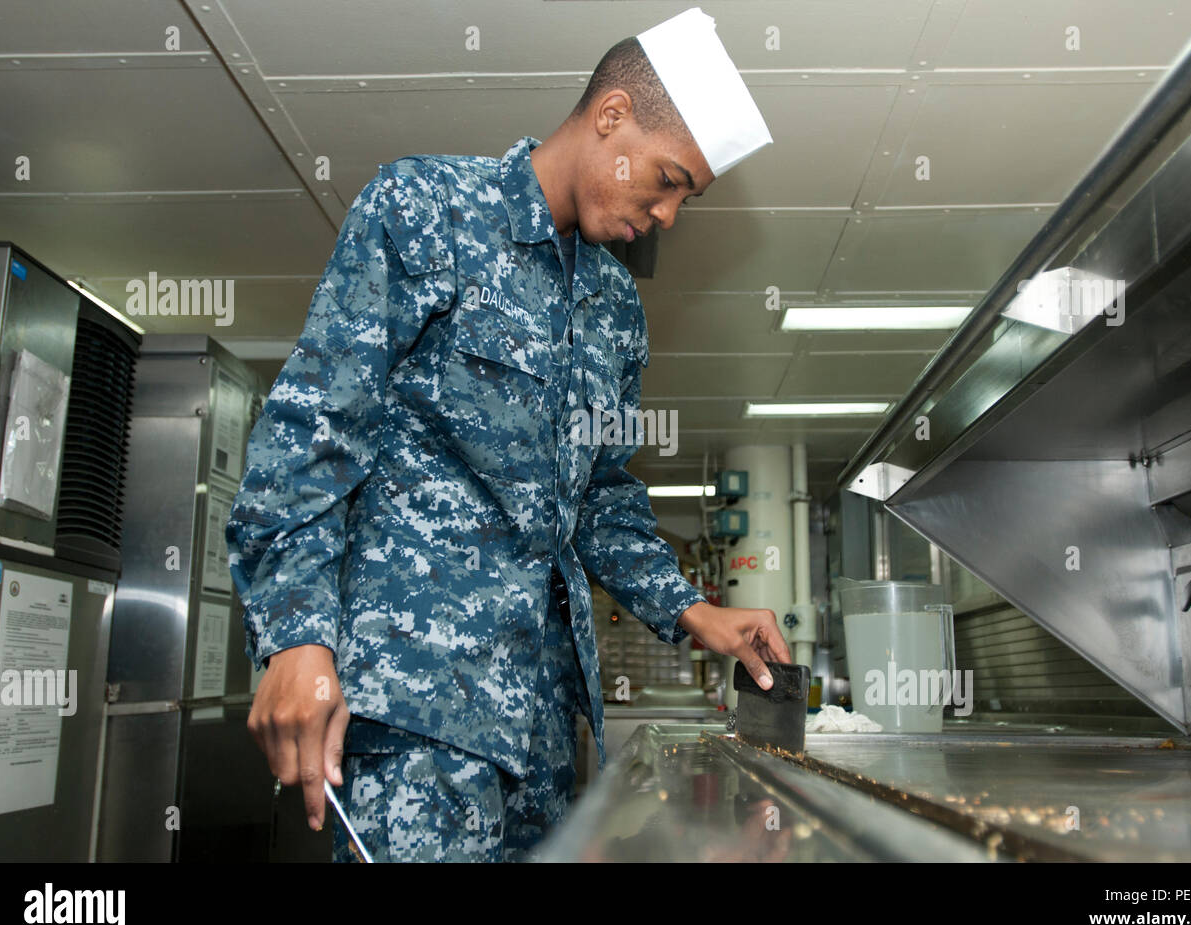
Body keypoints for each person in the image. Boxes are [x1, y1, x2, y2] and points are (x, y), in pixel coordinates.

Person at [225, 7, 789, 862]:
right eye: (669, 179)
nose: (670, 213)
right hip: (420, 713)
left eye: (687, 197)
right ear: (611, 119)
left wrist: (693, 610)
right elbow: (313, 426)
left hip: (546, 731)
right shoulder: (426, 211)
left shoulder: (616, 310)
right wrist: (297, 630)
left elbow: (598, 495)